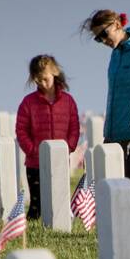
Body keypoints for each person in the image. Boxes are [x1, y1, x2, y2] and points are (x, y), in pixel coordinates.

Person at [80, 9, 130, 188]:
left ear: (116, 25)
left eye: (104, 34)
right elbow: (112, 97)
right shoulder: (115, 55)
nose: (103, 41)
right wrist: (108, 134)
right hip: (114, 134)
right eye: (98, 38)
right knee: (112, 191)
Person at [15, 54, 80, 219]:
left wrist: (69, 147)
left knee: (58, 200)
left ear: (55, 73)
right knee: (37, 204)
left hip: (60, 160)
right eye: (38, 81)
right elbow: (21, 130)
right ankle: (35, 225)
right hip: (35, 162)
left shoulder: (68, 101)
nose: (42, 84)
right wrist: (32, 150)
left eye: (45, 79)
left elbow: (74, 127)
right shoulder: (28, 102)